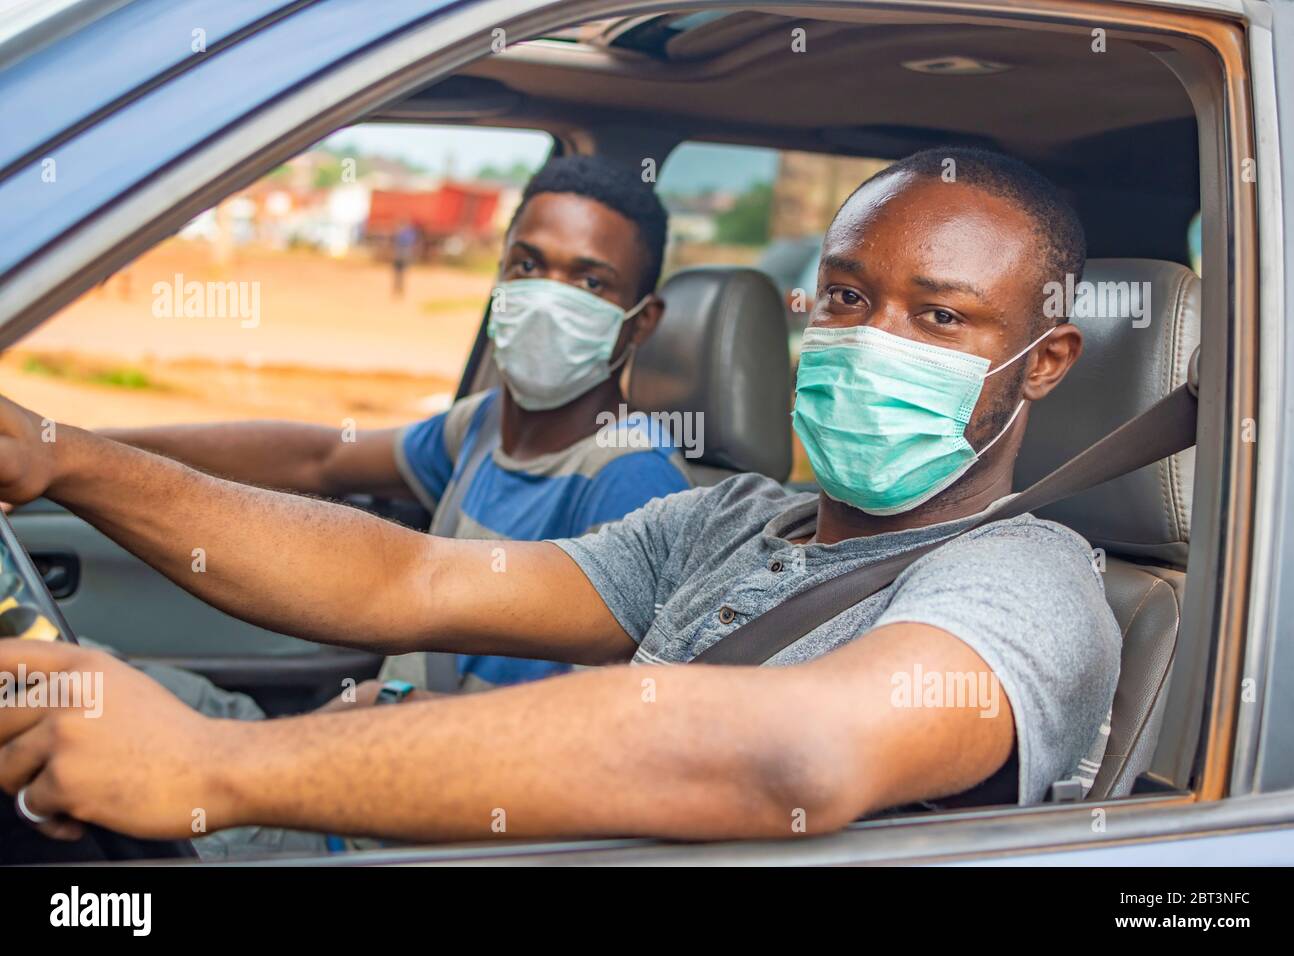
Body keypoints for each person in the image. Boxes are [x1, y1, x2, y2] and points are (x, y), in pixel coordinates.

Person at [0, 147, 1121, 846]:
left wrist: (214, 768)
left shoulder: (1025, 577)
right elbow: (409, 576)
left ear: (1044, 358)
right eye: (844, 295)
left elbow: (796, 753)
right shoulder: (729, 522)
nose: (870, 340)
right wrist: (76, 460)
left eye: (938, 316)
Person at [101, 154, 692, 703]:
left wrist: (392, 714)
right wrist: (97, 452)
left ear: (642, 323)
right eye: (528, 266)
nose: (546, 300)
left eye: (590, 283)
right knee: (78, 685)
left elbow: (599, 735)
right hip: (366, 762)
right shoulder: (483, 425)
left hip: (427, 795)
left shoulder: (632, 477)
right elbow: (323, 457)